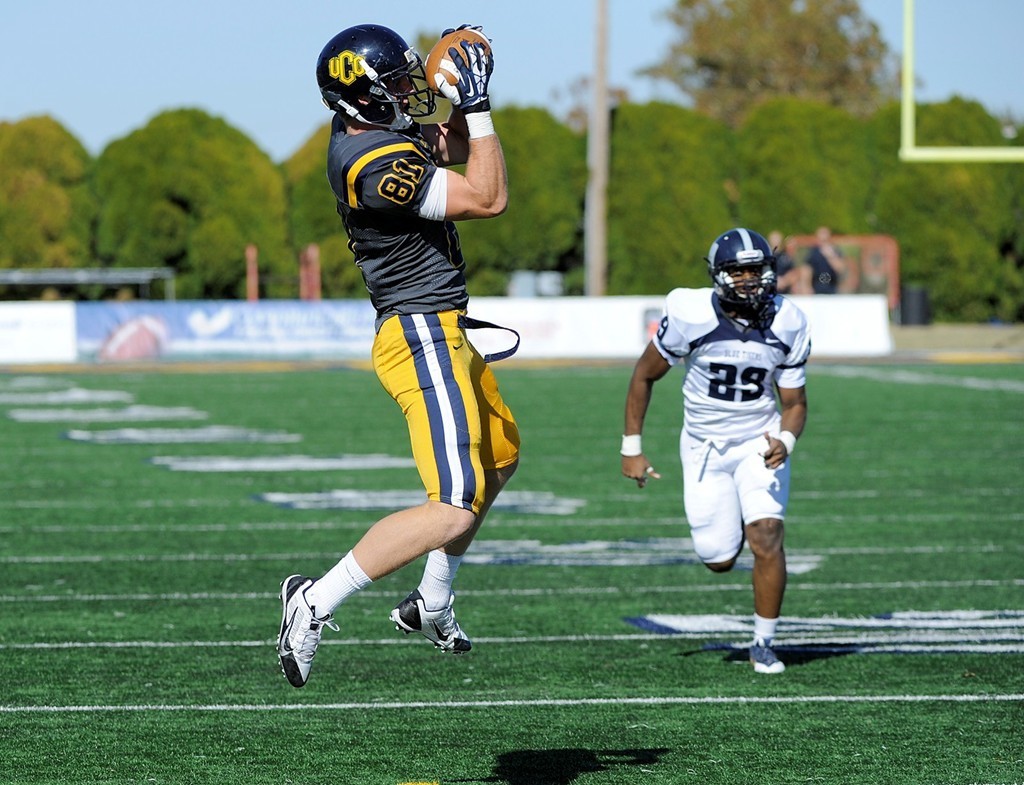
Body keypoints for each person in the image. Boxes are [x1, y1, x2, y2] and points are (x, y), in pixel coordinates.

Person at [277, 23, 520, 688]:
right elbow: (488, 196)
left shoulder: (376, 126)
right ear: (361, 97)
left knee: (499, 458)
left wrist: (458, 95)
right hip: (419, 335)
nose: (409, 91)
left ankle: (431, 599)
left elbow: (457, 146)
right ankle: (314, 601)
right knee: (453, 505)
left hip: (444, 329)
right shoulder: (370, 163)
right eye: (396, 83)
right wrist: (477, 106)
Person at [620, 228, 810, 674]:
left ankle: (764, 643)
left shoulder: (789, 320)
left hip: (759, 440)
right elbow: (644, 375)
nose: (749, 280)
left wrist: (786, 439)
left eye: (756, 270)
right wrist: (632, 447)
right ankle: (737, 519)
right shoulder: (692, 314)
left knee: (767, 535)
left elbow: (795, 403)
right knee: (719, 559)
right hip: (703, 445)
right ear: (718, 275)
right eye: (738, 271)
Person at [804, 225, 847, 294]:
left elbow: (840, 269)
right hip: (816, 286)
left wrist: (831, 256)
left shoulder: (835, 251)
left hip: (832, 286)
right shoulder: (813, 251)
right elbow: (807, 270)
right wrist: (807, 286)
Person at [767, 230, 805, 295]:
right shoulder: (765, 257)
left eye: (777, 239)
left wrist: (784, 281)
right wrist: (775, 280)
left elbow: (794, 272)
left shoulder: (786, 256)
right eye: (774, 239)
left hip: (785, 289)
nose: (776, 241)